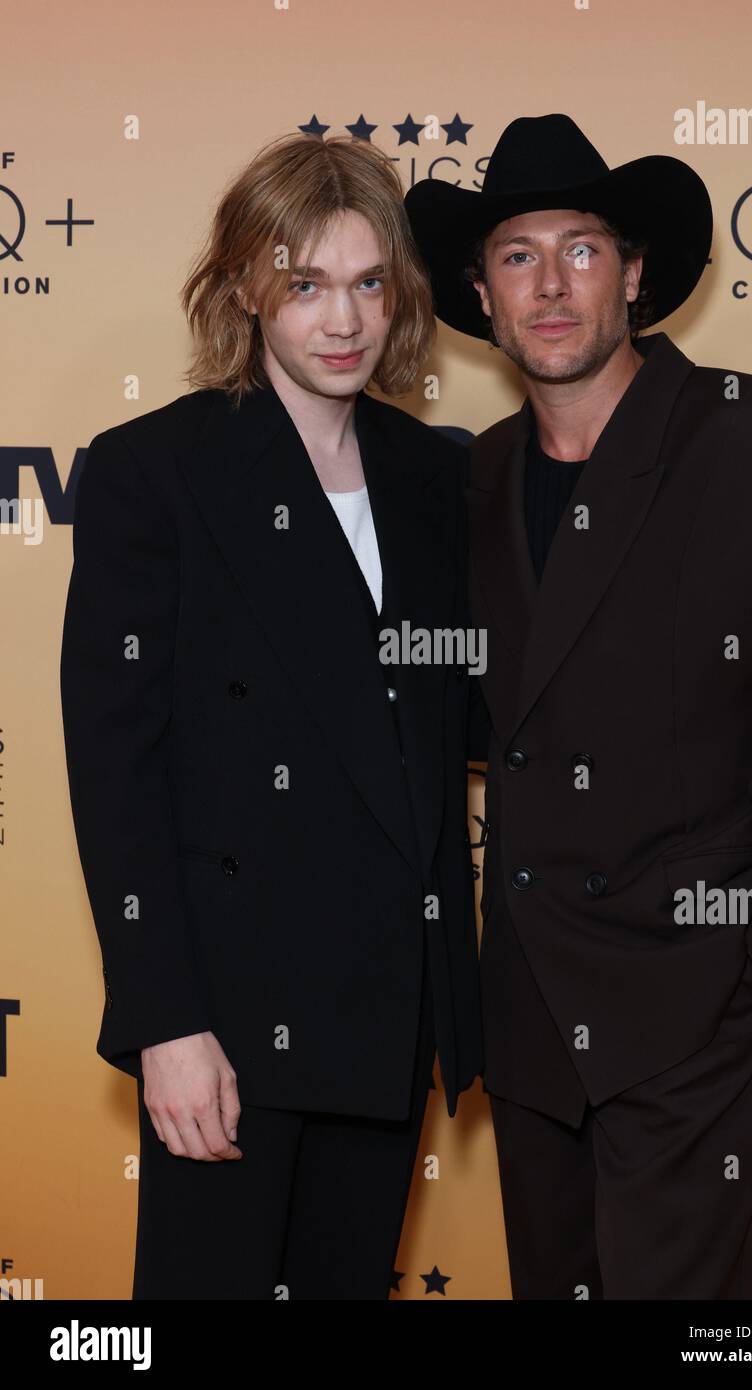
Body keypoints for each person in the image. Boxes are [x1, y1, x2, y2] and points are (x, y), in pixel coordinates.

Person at [405, 112, 752, 1299]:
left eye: (580, 249)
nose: (549, 285)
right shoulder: (472, 480)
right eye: (516, 255)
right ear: (481, 291)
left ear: (635, 271)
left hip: (688, 1000)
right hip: (527, 1012)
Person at [60, 131, 482, 1300]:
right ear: (245, 289)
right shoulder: (159, 470)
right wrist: (166, 1023)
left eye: (365, 283)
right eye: (303, 284)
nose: (339, 320)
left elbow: (457, 716)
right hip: (231, 1020)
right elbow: (116, 767)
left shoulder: (431, 476)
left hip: (390, 1007)